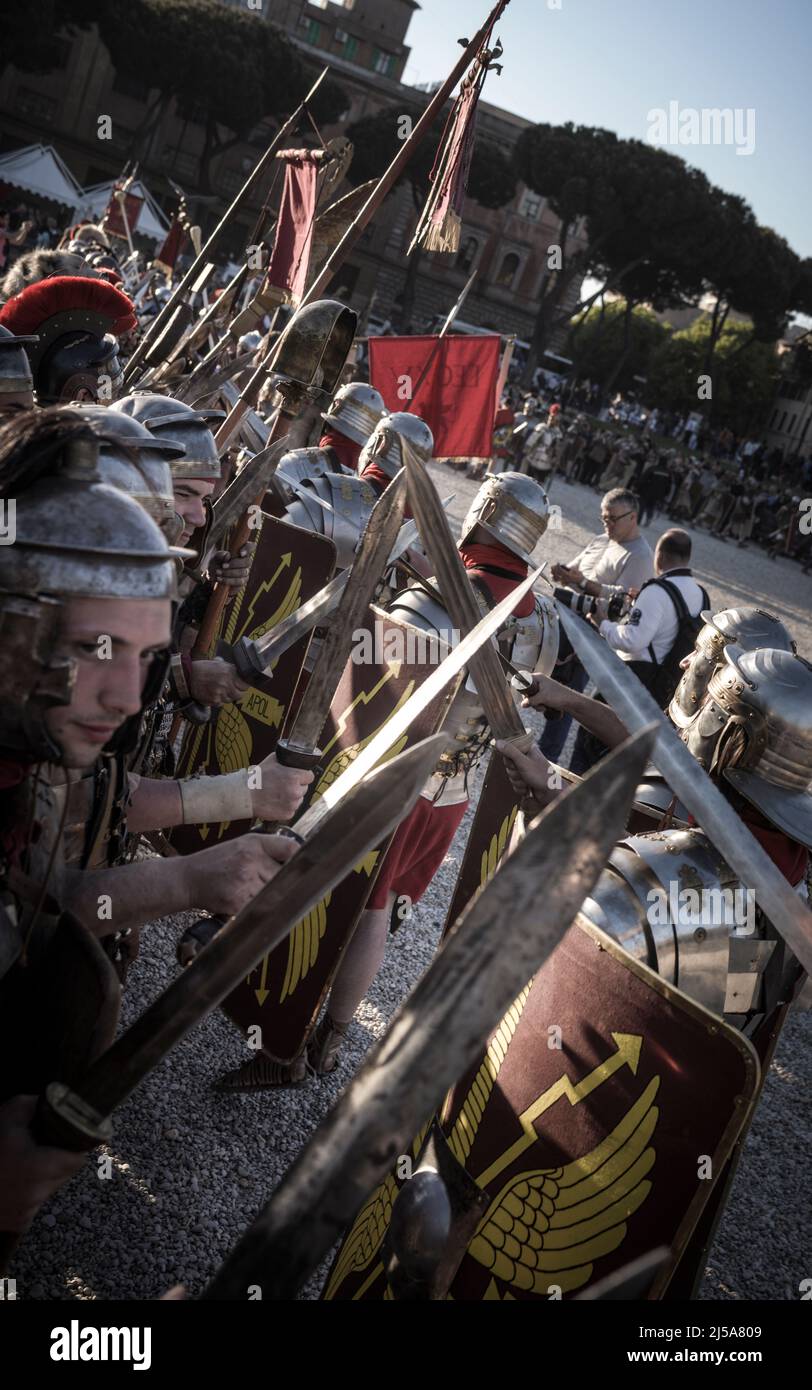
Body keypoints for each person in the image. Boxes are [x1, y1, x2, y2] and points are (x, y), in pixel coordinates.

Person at [567, 528, 709, 774]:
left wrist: (603, 623)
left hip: (630, 684)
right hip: (666, 691)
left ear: (660, 556)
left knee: (591, 741)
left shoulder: (656, 591)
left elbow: (633, 641)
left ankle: (568, 798)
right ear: (687, 558)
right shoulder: (701, 595)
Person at [540, 488, 654, 764]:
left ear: (633, 518)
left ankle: (546, 761)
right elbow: (577, 572)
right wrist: (564, 574)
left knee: (565, 700)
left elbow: (626, 602)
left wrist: (582, 583)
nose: (608, 525)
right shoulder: (601, 539)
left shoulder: (639, 556)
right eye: (605, 518)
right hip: (563, 618)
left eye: (613, 519)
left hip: (589, 635)